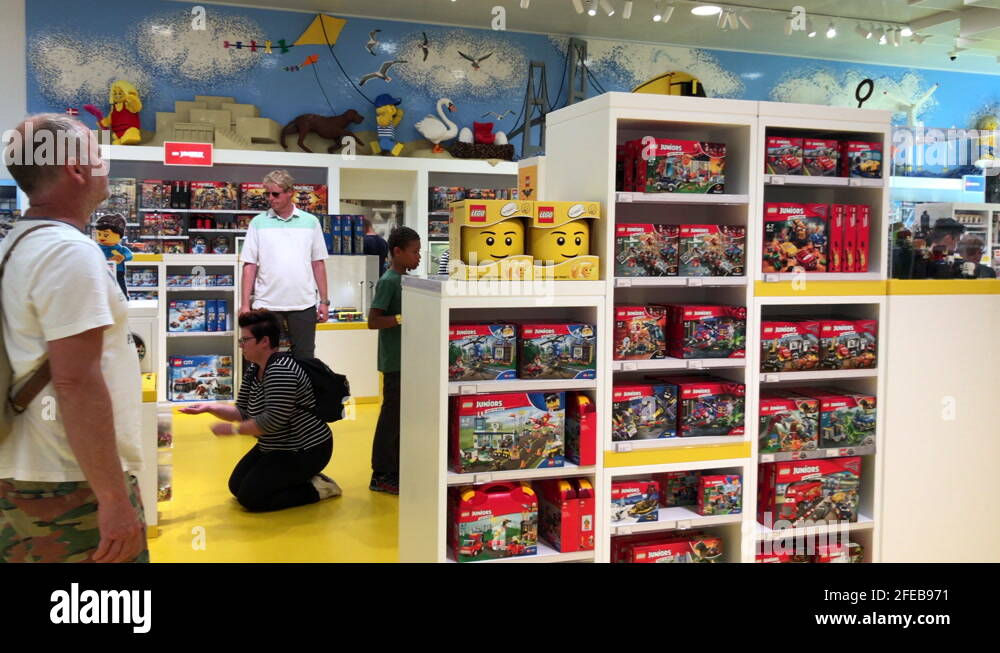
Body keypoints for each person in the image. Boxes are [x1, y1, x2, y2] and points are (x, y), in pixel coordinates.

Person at [0, 113, 147, 563]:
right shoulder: (69, 253)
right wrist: (114, 499)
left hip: (27, 470)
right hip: (68, 481)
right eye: (98, 154)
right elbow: (76, 383)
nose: (105, 163)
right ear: (76, 170)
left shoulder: (17, 243)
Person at [180, 309, 341, 511]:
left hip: (304, 449)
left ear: (264, 342)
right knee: (236, 486)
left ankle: (319, 488)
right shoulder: (255, 368)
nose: (241, 345)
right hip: (274, 445)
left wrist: (233, 431)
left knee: (252, 498)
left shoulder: (282, 370)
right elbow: (243, 412)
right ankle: (295, 479)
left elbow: (271, 421)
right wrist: (209, 407)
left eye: (245, 340)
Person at [240, 170, 329, 359]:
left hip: (303, 304)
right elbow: (249, 265)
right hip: (266, 304)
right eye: (267, 194)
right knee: (263, 358)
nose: (270, 198)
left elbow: (318, 263)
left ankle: (302, 390)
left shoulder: (311, 222)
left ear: (290, 192)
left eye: (275, 194)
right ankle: (263, 390)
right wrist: (244, 305)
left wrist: (324, 301)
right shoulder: (258, 223)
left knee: (305, 359)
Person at [367, 226, 421, 495]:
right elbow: (373, 321)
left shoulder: (406, 280)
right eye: (414, 252)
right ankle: (382, 473)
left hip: (406, 361)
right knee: (391, 417)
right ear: (397, 252)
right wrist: (403, 317)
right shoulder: (389, 280)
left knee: (400, 417)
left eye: (419, 252)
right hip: (394, 363)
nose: (418, 257)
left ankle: (396, 468)